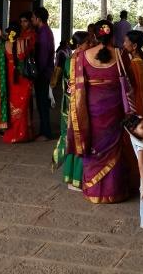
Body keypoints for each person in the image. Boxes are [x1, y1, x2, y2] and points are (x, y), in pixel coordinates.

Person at [68, 21, 134, 204]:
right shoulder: (121, 55)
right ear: (113, 35)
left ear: (94, 36)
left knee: (93, 146)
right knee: (115, 148)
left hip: (91, 109)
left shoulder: (82, 56)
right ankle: (115, 191)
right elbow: (130, 84)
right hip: (115, 110)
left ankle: (94, 190)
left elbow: (75, 88)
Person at [54, 32, 90, 190]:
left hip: (68, 106)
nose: (91, 45)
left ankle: (69, 175)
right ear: (81, 45)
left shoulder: (70, 60)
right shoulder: (82, 61)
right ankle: (77, 178)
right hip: (78, 107)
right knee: (79, 140)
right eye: (88, 43)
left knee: (71, 140)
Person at [0, 24, 34, 144]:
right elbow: (29, 55)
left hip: (10, 79)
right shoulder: (23, 43)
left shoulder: (3, 46)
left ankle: (12, 134)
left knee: (12, 106)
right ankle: (22, 134)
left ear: (9, 33)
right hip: (23, 79)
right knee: (23, 107)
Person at [31, 7, 56, 140]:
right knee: (41, 104)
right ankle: (43, 131)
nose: (31, 20)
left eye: (33, 18)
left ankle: (46, 133)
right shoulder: (42, 31)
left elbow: (43, 57)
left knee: (42, 103)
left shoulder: (44, 33)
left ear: (38, 19)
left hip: (43, 73)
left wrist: (36, 72)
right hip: (43, 72)